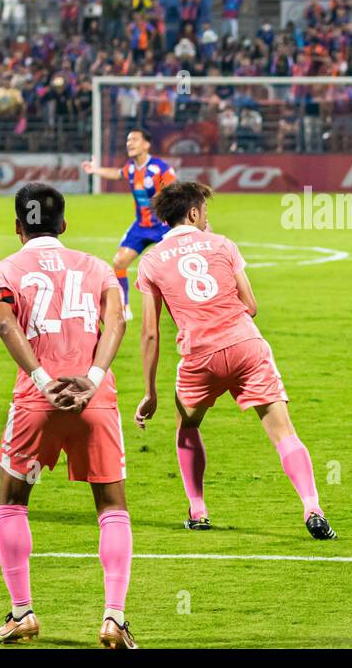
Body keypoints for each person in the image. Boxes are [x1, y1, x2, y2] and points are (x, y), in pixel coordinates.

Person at [133, 180, 336, 540]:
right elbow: (252, 306)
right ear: (194, 213)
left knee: (188, 426)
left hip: (199, 357)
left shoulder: (150, 262)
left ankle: (198, 511)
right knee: (284, 434)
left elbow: (150, 333)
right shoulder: (223, 244)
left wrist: (150, 392)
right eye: (205, 211)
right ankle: (312, 507)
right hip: (245, 346)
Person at [0, 182, 136, 649]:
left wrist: (42, 379)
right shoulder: (97, 267)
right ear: (64, 225)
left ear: (17, 226)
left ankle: (23, 612)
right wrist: (91, 375)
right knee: (112, 508)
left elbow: (4, 321)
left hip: (36, 401)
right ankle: (113, 618)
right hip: (96, 399)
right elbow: (118, 320)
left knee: (13, 502)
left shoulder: (3, 270)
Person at [80, 129, 176, 322]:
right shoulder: (131, 168)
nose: (129, 143)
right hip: (141, 226)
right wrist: (94, 170)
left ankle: (183, 306)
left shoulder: (158, 168)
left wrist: (162, 198)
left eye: (134, 139)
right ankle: (124, 308)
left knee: (173, 270)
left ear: (146, 144)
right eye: (128, 140)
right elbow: (117, 174)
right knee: (119, 262)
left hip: (163, 226)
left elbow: (174, 188)